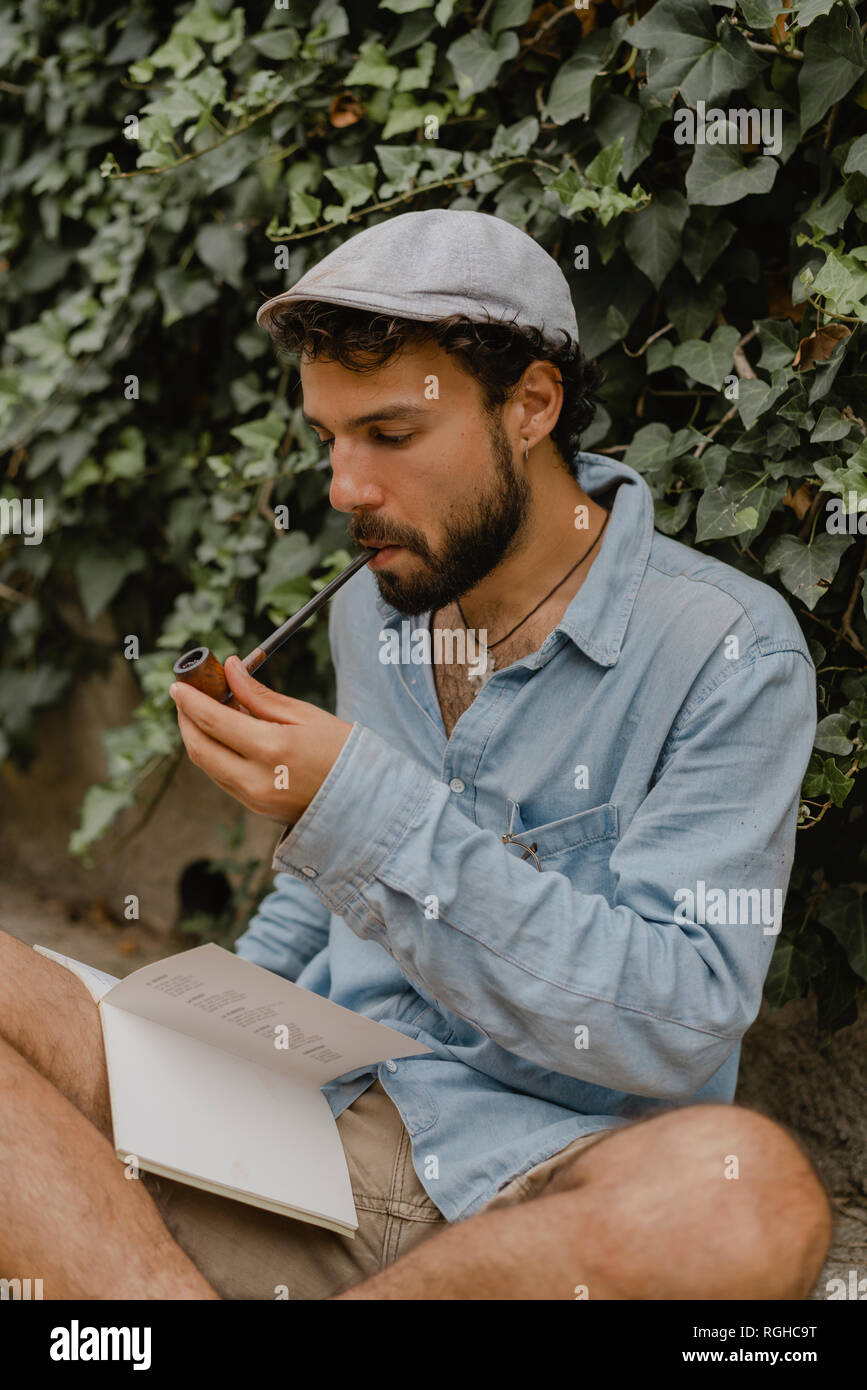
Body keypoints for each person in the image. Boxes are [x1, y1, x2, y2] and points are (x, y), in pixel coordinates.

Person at [0, 210, 831, 1300]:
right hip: (302, 1124)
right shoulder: (384, 600)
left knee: (751, 1199)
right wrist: (188, 1034)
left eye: (390, 435)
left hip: (527, 1193)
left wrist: (358, 806)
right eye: (328, 439)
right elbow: (325, 898)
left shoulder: (728, 649)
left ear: (531, 405)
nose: (344, 489)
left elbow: (678, 1020)